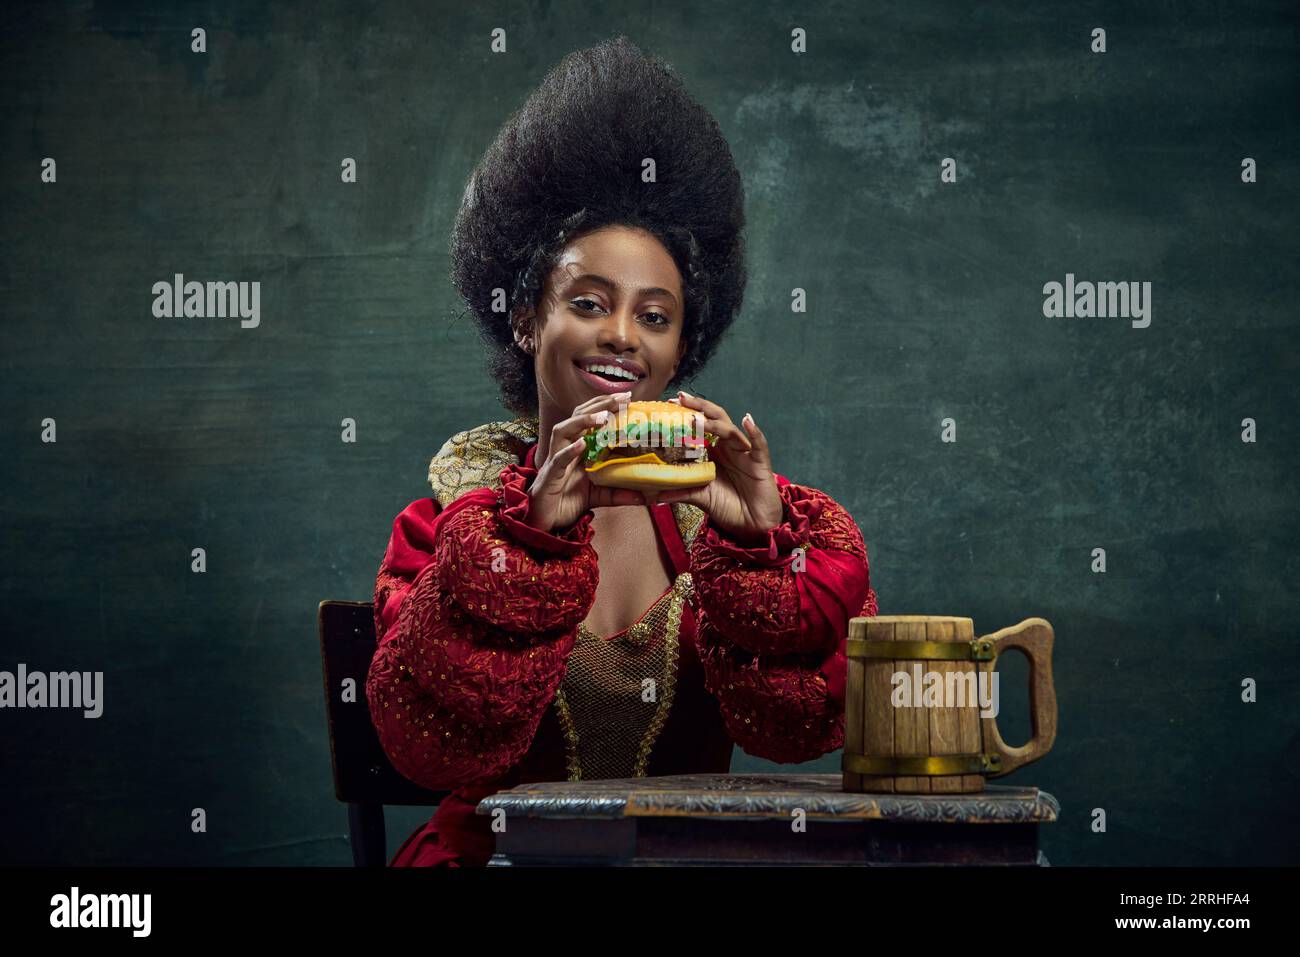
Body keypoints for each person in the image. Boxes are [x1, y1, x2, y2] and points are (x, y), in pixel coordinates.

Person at [365, 35, 879, 867]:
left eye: (654, 315)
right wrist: (526, 539)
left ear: (681, 351)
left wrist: (762, 549)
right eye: (589, 300)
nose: (620, 336)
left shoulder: (734, 514)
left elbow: (809, 730)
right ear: (527, 317)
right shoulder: (449, 523)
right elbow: (430, 748)